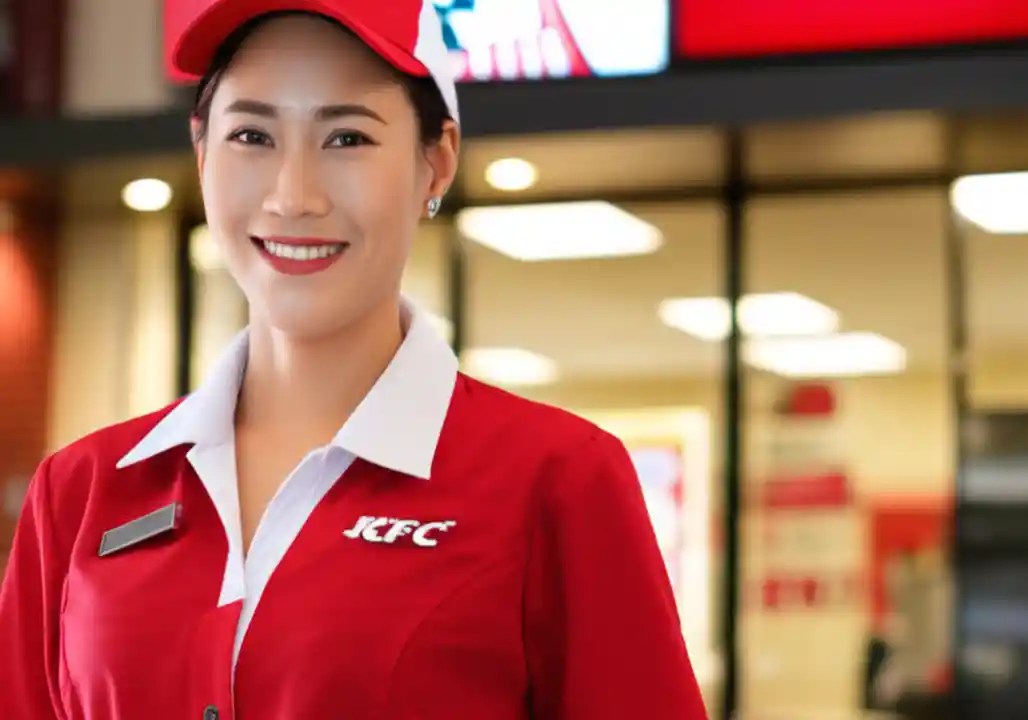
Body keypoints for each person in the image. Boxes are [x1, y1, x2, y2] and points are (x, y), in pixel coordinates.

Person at [0, 1, 707, 718]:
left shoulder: (556, 480)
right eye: (251, 135)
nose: (293, 197)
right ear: (202, 153)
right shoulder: (81, 493)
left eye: (347, 137)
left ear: (436, 163)